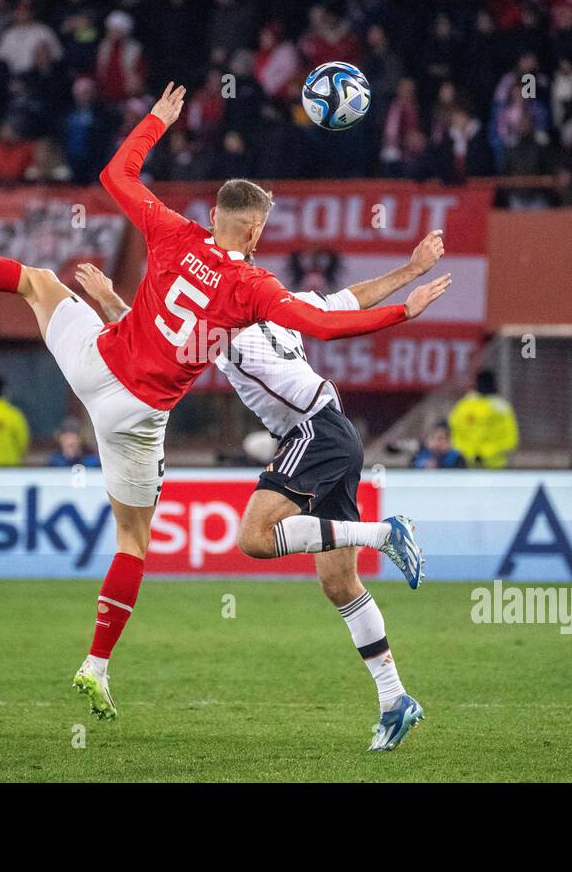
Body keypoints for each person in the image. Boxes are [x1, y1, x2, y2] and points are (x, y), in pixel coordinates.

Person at [0, 82, 448, 723]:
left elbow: (115, 175)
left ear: (211, 218)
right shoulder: (257, 293)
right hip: (141, 418)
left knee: (35, 281)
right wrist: (406, 298)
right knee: (136, 540)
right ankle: (94, 666)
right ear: (256, 230)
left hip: (97, 368)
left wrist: (155, 120)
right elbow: (324, 321)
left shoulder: (174, 234)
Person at [75, 226, 448, 751]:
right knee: (340, 585)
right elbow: (349, 300)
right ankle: (395, 701)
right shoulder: (285, 303)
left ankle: (384, 533)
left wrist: (111, 300)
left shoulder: (223, 326)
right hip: (337, 430)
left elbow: (153, 341)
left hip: (313, 429)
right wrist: (411, 271)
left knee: (253, 537)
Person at [448, 370, 519, 468]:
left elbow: (510, 435)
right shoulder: (467, 404)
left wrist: (497, 451)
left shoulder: (500, 406)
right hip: (469, 462)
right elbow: (455, 428)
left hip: (493, 463)